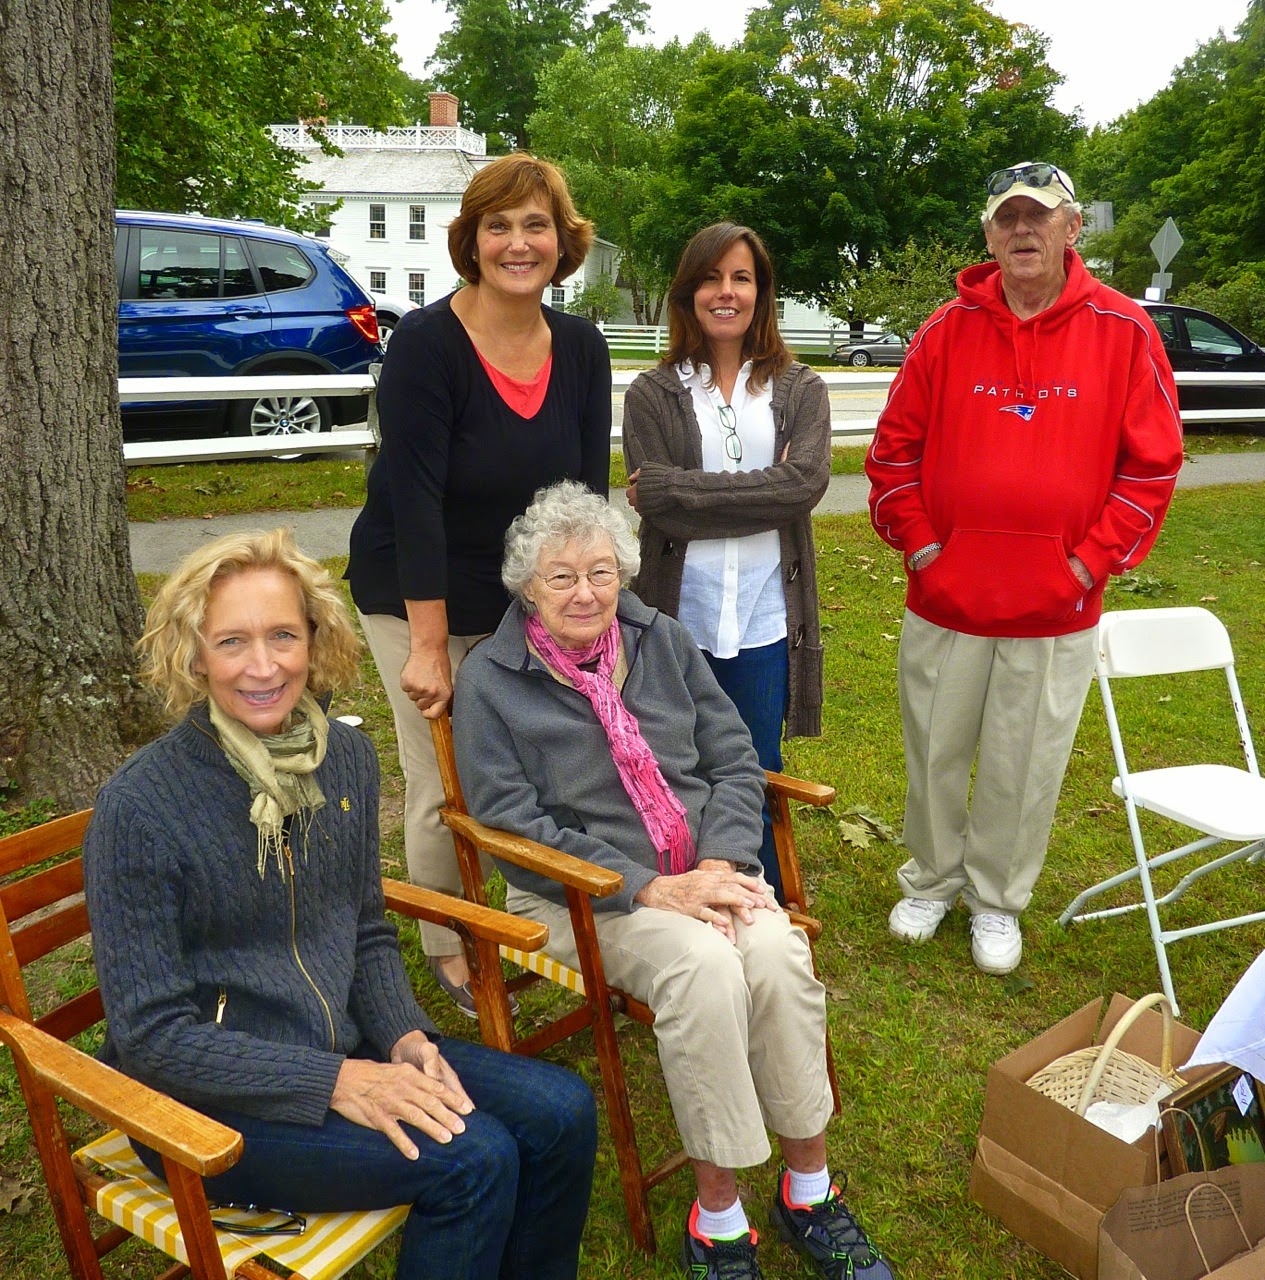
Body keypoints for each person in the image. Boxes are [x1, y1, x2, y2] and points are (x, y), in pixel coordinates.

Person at [83, 529, 598, 1280]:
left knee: (561, 1110)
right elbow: (151, 1037)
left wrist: (403, 1036)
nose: (264, 666)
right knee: (474, 1161)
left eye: (283, 635)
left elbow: (363, 930)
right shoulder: (141, 808)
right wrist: (338, 1082)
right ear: (193, 655)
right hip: (204, 1106)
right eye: (231, 642)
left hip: (342, 1047)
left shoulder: (344, 758)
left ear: (315, 638)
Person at [453, 482, 895, 1280]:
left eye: (600, 571)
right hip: (580, 896)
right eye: (561, 576)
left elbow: (733, 759)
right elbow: (509, 826)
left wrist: (720, 863)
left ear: (622, 572)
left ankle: (807, 1190)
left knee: (776, 954)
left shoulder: (659, 639)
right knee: (704, 968)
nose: (585, 592)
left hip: (705, 870)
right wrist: (648, 888)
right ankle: (717, 1217)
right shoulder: (491, 676)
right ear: (527, 586)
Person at [865, 161, 1183, 976]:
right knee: (933, 751)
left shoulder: (1123, 331)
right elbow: (892, 453)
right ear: (988, 234)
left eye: (1037, 216)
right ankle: (930, 880)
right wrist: (923, 547)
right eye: (1006, 218)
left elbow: (1150, 467)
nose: (1021, 230)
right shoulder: (944, 330)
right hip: (946, 597)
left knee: (1024, 760)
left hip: (1055, 603)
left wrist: (1084, 564)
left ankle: (997, 899)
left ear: (1071, 228)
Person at [348, 152, 612, 1015]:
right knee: (445, 779)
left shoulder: (581, 347)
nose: (517, 243)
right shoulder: (427, 346)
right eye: (498, 226)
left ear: (563, 242)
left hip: (521, 592)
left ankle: (541, 916)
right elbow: (414, 503)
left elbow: (584, 499)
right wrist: (429, 647)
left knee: (540, 760)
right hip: (413, 587)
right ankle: (450, 940)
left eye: (536, 225)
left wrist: (585, 607)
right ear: (472, 240)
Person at [622, 222, 831, 903]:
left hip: (765, 618)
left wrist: (680, 487)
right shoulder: (653, 393)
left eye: (741, 278)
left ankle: (759, 900)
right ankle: (684, 897)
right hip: (677, 618)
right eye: (711, 278)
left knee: (755, 766)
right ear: (688, 292)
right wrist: (767, 493)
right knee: (672, 765)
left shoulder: (799, 389)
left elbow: (804, 484)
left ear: (761, 293)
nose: (726, 292)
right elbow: (660, 509)